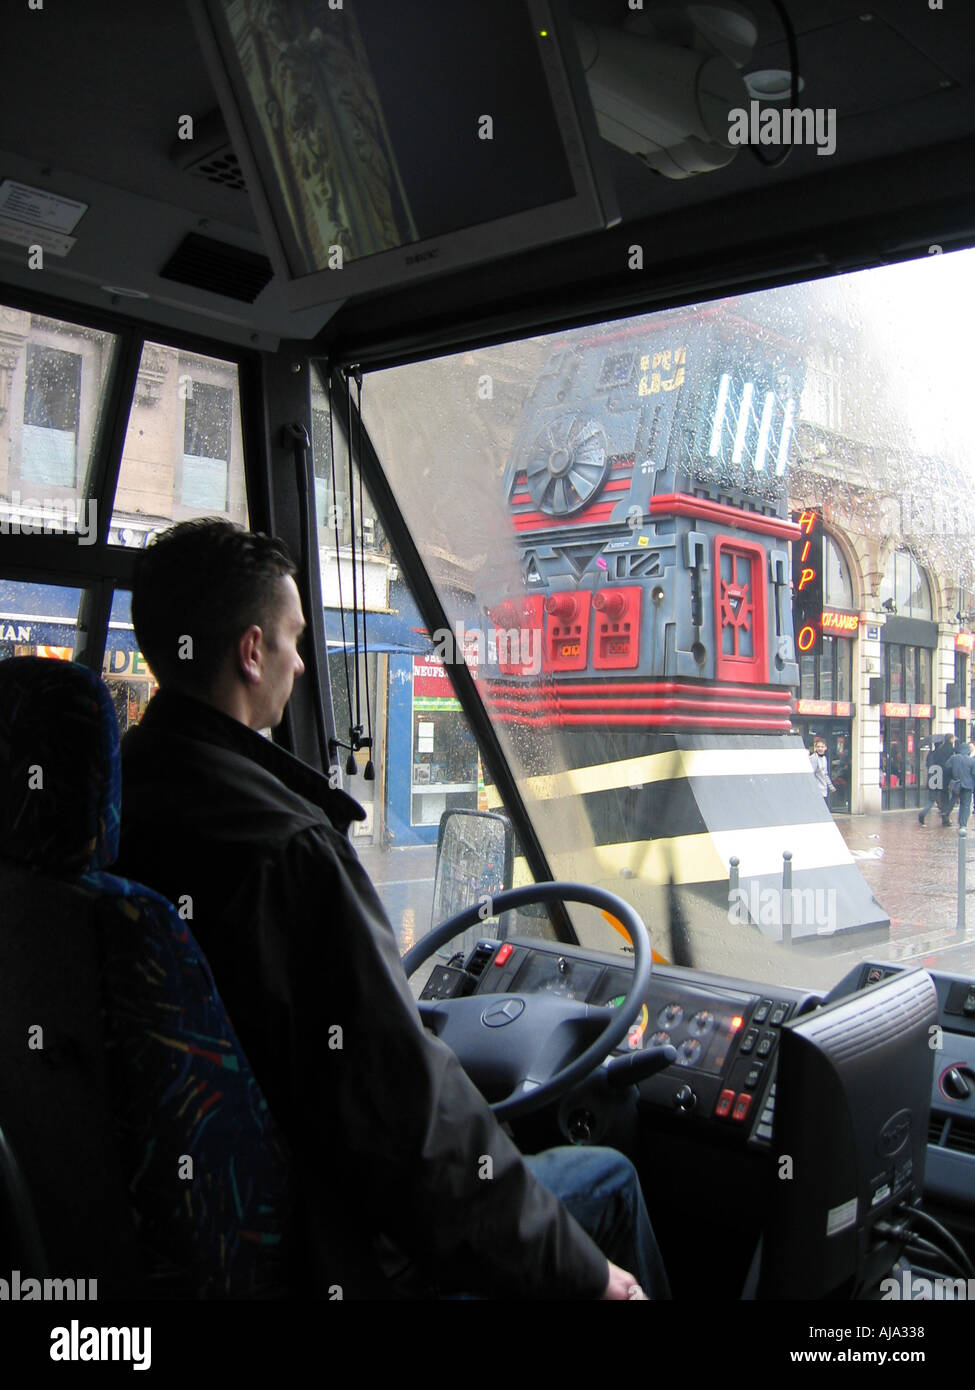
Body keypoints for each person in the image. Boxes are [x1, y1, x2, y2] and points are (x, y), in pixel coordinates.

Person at [114, 519, 668, 1301]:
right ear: (249, 652)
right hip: (327, 1252)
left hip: (181, 1237)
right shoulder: (286, 851)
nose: (301, 664)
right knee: (605, 1178)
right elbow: (411, 1122)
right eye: (293, 640)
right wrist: (585, 1275)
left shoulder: (112, 805)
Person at [919, 733, 954, 826]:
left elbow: (927, 765)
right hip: (940, 780)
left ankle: (924, 814)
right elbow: (946, 767)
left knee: (932, 799)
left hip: (932, 779)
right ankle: (943, 817)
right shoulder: (943, 753)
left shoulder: (931, 754)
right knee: (943, 799)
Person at [948, 740, 975, 830]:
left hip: (956, 784)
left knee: (952, 801)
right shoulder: (972, 761)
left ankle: (945, 815)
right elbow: (974, 774)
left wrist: (953, 776)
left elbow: (946, 767)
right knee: (966, 805)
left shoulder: (954, 758)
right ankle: (962, 824)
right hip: (967, 785)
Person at [809, 736, 835, 801]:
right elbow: (811, 774)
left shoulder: (824, 758)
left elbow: (825, 774)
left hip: (823, 789)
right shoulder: (814, 758)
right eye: (818, 747)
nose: (820, 748)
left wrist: (831, 786)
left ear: (825, 748)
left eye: (822, 747)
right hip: (816, 790)